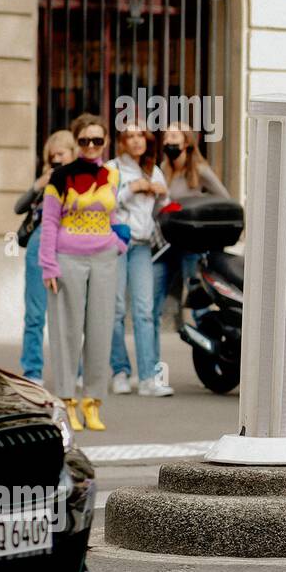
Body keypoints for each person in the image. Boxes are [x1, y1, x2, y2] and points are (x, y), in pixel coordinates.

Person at [40, 113, 127, 431]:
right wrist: (48, 263)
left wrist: (119, 242)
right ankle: (68, 402)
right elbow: (49, 222)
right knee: (67, 331)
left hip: (105, 258)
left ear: (105, 142)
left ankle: (92, 402)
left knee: (102, 329)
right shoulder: (60, 177)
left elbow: (112, 214)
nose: (91, 146)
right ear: (76, 142)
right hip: (68, 259)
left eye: (97, 140)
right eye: (85, 140)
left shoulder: (113, 175)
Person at [108, 122, 173, 397]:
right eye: (130, 136)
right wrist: (130, 189)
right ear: (121, 141)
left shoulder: (154, 170)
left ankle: (148, 378)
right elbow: (105, 205)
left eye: (141, 136)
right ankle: (120, 371)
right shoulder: (112, 169)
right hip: (118, 244)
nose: (136, 141)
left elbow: (162, 208)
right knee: (117, 311)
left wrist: (160, 192)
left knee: (145, 312)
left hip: (144, 246)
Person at [154, 121, 229, 346]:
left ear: (186, 142)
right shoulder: (163, 170)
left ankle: (213, 349)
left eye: (174, 137)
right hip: (165, 245)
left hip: (192, 248)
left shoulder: (200, 171)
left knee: (198, 300)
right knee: (152, 303)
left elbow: (224, 200)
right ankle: (152, 367)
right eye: (166, 137)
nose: (168, 141)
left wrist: (198, 209)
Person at [15, 130, 76, 383]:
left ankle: (75, 371)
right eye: (52, 156)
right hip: (40, 244)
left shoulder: (83, 180)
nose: (56, 160)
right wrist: (39, 185)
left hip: (72, 243)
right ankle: (32, 372)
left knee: (72, 315)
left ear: (73, 154)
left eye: (61, 154)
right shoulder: (45, 181)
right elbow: (18, 207)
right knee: (35, 313)